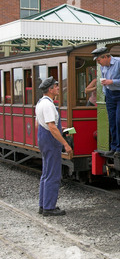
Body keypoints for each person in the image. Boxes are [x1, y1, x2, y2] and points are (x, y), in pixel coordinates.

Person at [35, 76, 73, 216]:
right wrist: (65, 144)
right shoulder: (49, 105)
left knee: (46, 173)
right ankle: (49, 208)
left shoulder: (40, 103)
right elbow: (51, 126)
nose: (58, 88)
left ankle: (43, 205)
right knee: (53, 175)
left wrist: (60, 128)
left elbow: (39, 124)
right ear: (50, 89)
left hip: (43, 138)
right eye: (56, 86)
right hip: (50, 141)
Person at [91, 47, 120, 155]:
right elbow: (104, 82)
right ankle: (114, 147)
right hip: (110, 95)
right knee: (112, 121)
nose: (99, 63)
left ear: (105, 57)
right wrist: (106, 93)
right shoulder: (103, 67)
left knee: (119, 120)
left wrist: (112, 82)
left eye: (99, 61)